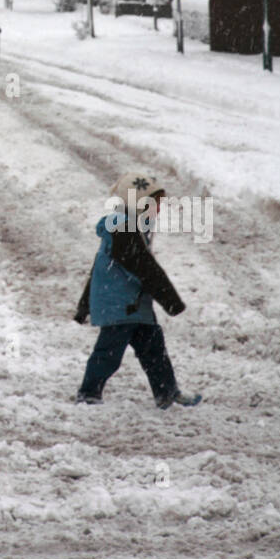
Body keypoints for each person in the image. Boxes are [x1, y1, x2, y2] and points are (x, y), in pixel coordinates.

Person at [73, 174, 201, 409]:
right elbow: (145, 268)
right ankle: (88, 393)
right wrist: (171, 300)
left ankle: (167, 393)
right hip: (118, 306)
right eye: (155, 204)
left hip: (134, 305)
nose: (159, 209)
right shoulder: (122, 229)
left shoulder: (133, 228)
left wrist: (84, 306)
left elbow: (99, 269)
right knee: (108, 353)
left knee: (154, 351)